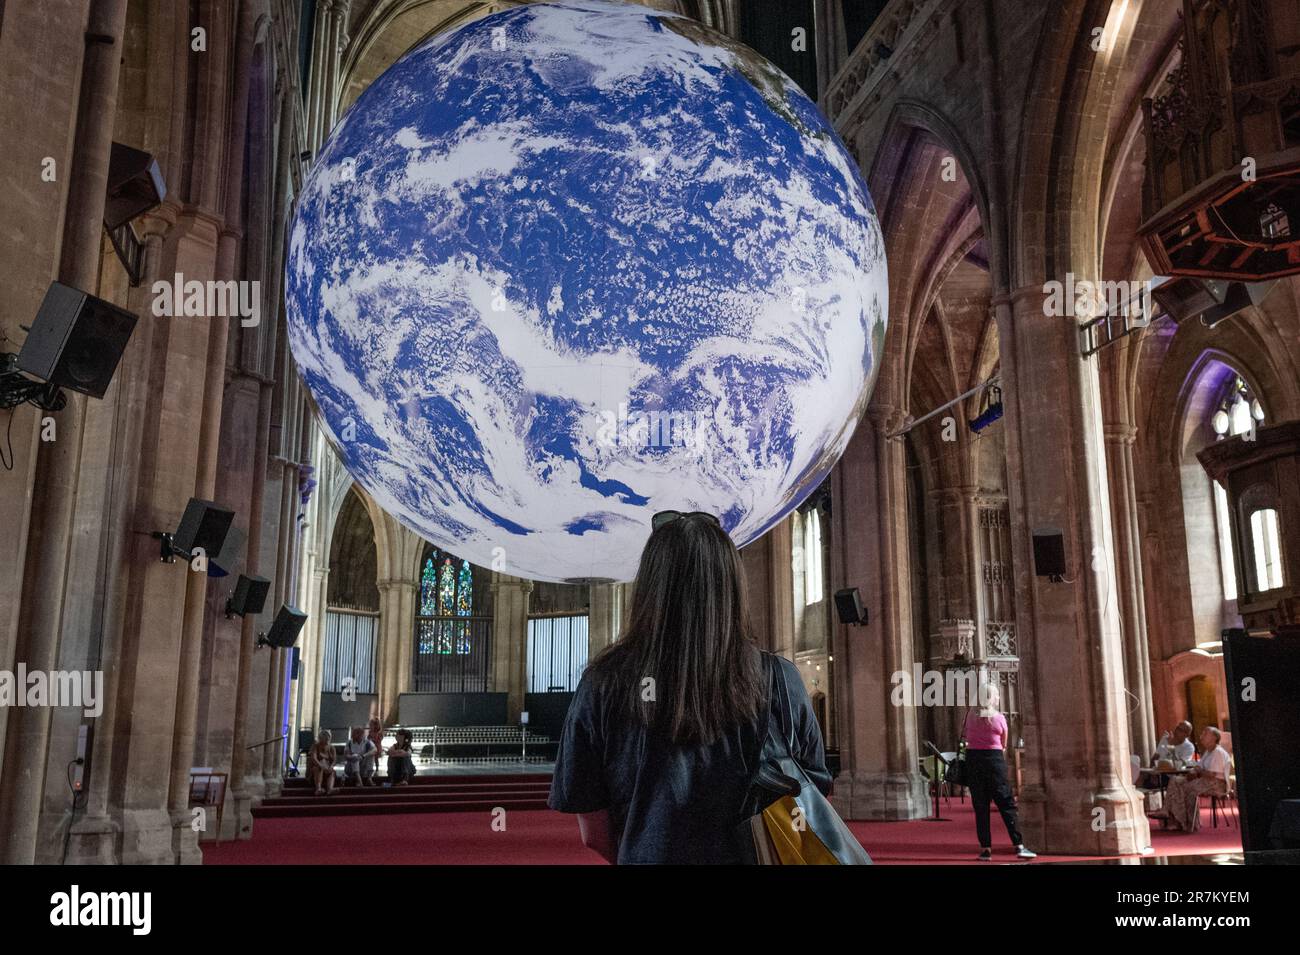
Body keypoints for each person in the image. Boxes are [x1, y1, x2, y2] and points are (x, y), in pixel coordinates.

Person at [548, 510, 832, 864]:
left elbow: (593, 832)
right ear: (731, 585)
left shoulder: (602, 683)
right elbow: (812, 797)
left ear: (650, 585)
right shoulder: (779, 679)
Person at [962, 684, 1035, 861]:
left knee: (981, 807)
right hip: (994, 761)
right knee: (1006, 804)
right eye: (997, 695)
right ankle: (1019, 845)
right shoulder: (999, 718)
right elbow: (1004, 743)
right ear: (992, 698)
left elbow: (965, 736)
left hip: (974, 761)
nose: (999, 698)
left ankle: (986, 849)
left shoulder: (969, 716)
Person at [1155, 726, 1231, 832]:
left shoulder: (1217, 752)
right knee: (1176, 781)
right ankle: (1173, 816)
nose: (1202, 735)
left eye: (1205, 733)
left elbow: (1211, 775)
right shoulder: (1208, 751)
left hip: (1216, 783)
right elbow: (1199, 767)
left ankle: (1187, 823)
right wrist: (1195, 771)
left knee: (1186, 788)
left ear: (1214, 738)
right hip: (1205, 779)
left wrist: (1198, 772)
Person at [308, 730, 337, 796]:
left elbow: (334, 761)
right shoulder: (315, 746)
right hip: (316, 769)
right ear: (321, 738)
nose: (327, 739)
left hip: (327, 769)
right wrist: (321, 766)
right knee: (318, 768)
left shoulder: (332, 748)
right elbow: (313, 758)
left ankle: (330, 789)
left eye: (328, 737)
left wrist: (331, 767)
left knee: (332, 771)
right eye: (325, 737)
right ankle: (318, 789)